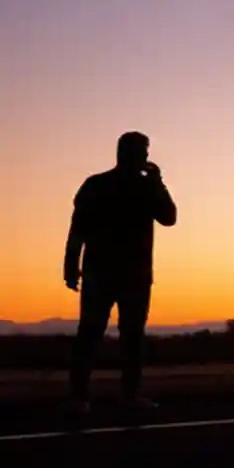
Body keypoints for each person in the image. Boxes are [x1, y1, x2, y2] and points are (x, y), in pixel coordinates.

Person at [62, 131, 177, 414]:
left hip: (120, 273)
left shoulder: (111, 185)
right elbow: (79, 227)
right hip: (119, 273)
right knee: (106, 335)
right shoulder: (105, 185)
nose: (145, 156)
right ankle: (99, 396)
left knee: (109, 335)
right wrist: (71, 264)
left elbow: (168, 218)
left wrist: (71, 264)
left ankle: (100, 397)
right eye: (143, 151)